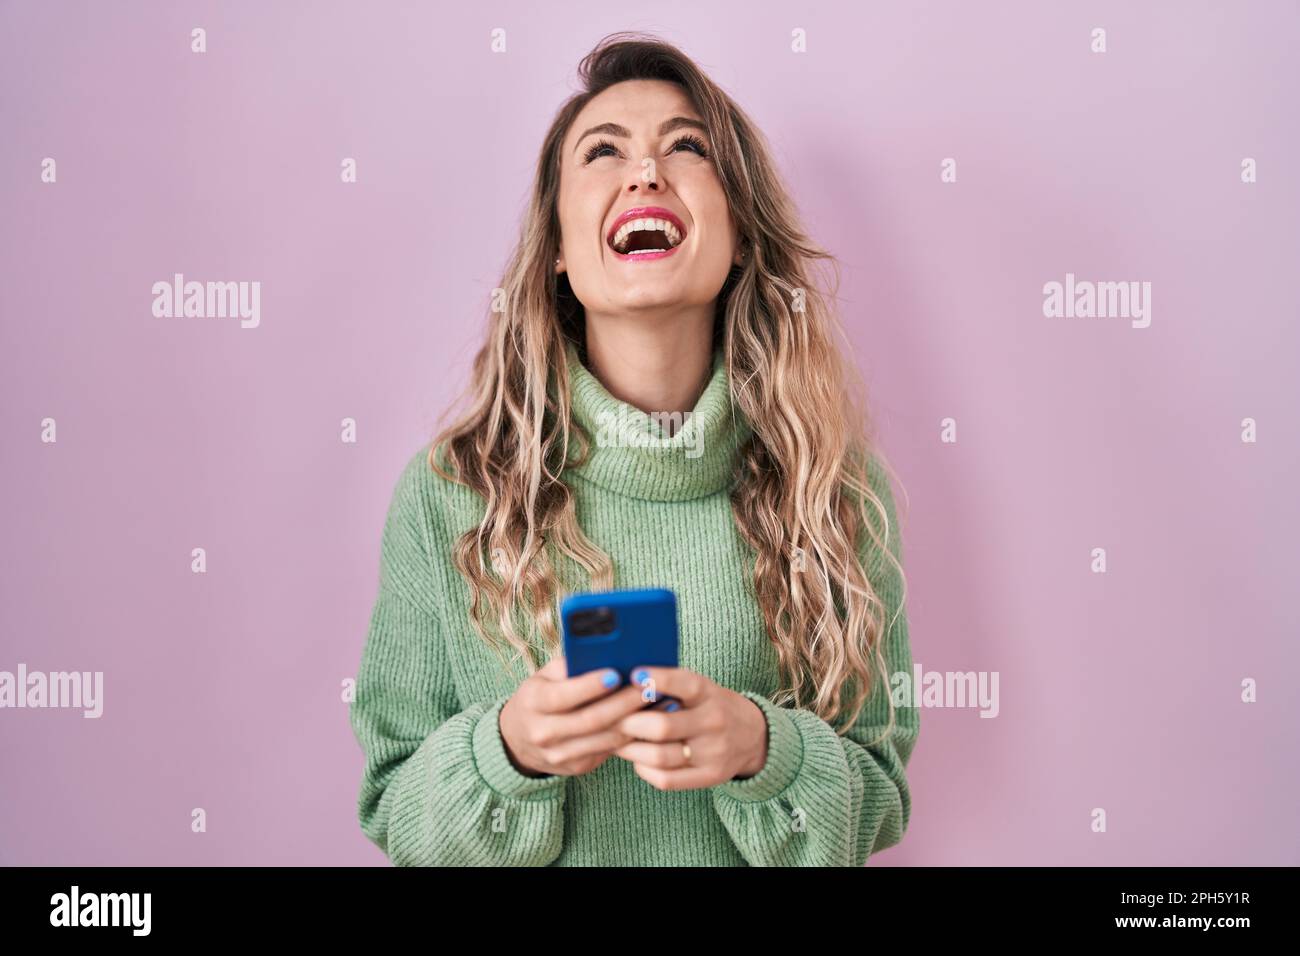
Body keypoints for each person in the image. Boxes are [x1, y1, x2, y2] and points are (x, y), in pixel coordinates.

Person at [349, 32, 919, 867]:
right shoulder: (448, 496)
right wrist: (507, 751)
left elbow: (881, 798)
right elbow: (394, 810)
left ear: (740, 240)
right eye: (602, 151)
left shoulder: (833, 488)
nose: (645, 172)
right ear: (554, 253)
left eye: (686, 148)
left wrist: (764, 749)